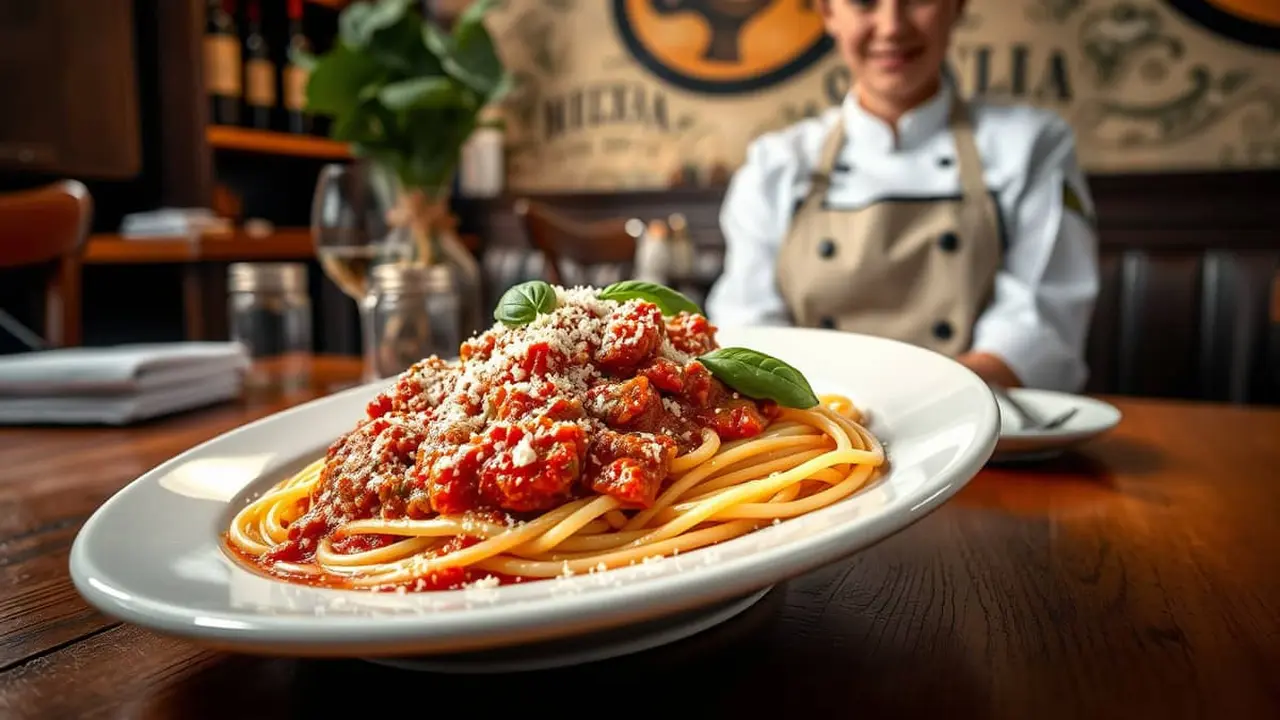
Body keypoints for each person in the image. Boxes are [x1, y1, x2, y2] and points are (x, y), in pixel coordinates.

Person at [705, 0, 1099, 393]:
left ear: (957, 6)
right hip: (820, 422)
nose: (892, 26)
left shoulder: (1033, 145)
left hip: (978, 415)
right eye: (864, 2)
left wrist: (919, 399)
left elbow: (1039, 326)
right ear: (828, 13)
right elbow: (749, 330)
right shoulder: (775, 164)